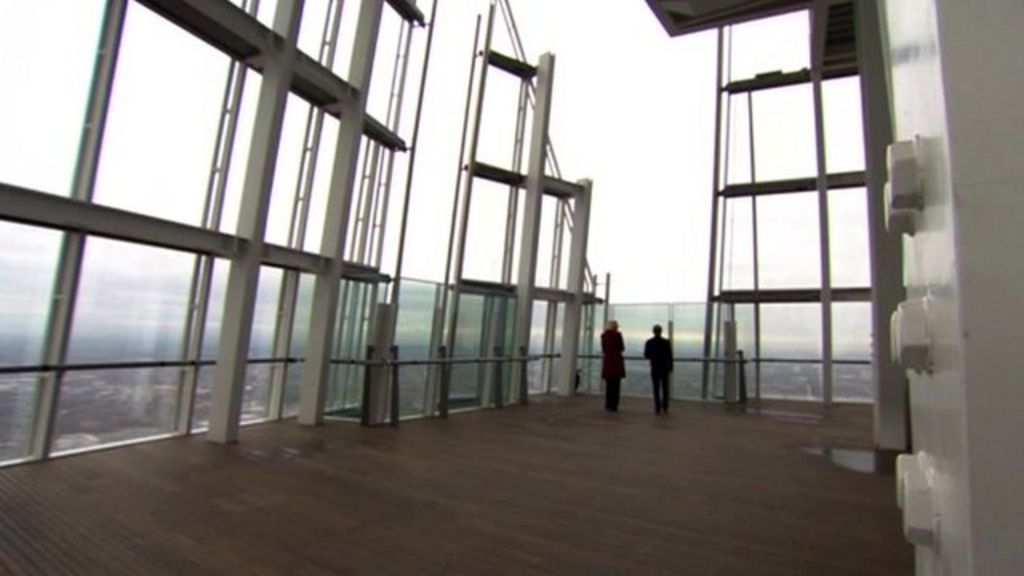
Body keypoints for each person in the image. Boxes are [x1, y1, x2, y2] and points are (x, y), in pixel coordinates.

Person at [643, 324, 673, 414]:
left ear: (653, 331)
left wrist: (653, 356)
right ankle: (665, 407)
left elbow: (646, 355)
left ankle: (657, 407)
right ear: (661, 331)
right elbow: (670, 356)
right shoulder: (666, 342)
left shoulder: (649, 342)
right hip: (664, 367)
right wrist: (671, 367)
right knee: (665, 388)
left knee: (656, 388)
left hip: (655, 367)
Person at [601, 320, 625, 412]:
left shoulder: (603, 336)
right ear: (615, 327)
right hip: (616, 362)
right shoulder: (617, 335)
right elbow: (621, 348)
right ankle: (614, 406)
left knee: (608, 385)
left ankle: (608, 404)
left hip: (607, 362)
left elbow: (604, 349)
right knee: (616, 385)